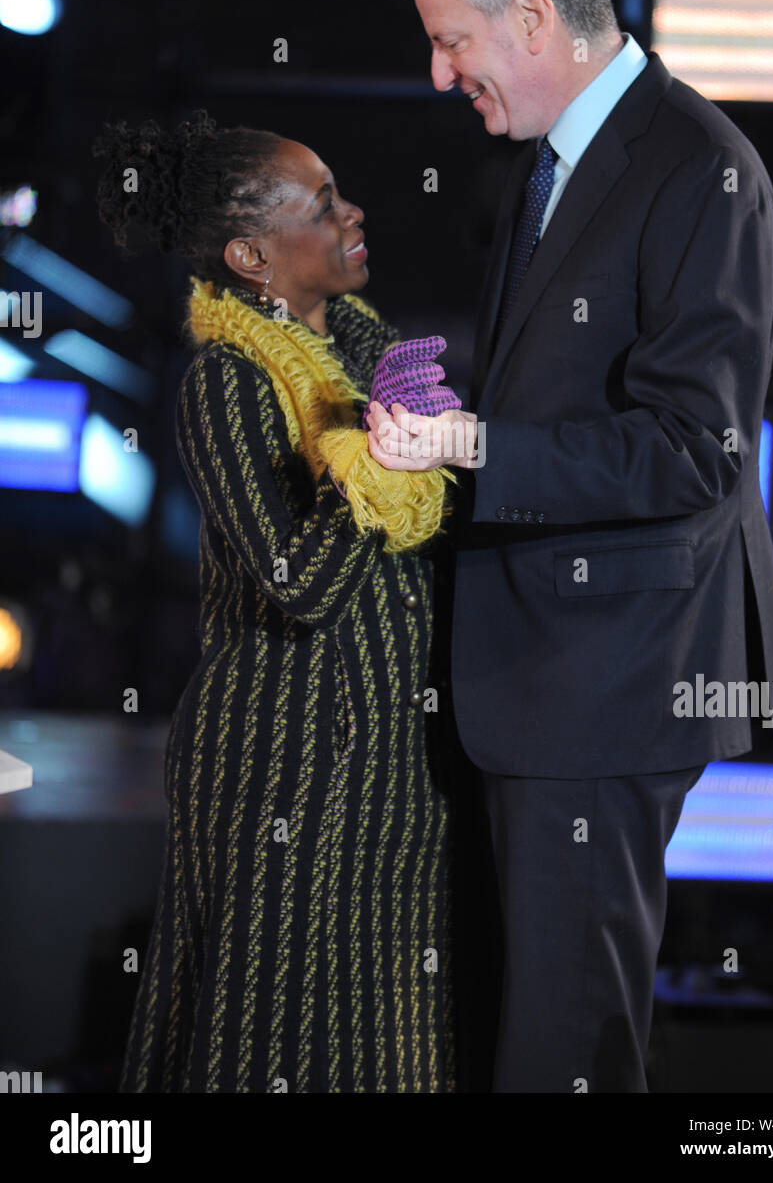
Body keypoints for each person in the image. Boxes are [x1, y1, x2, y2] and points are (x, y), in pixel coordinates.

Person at [366, 0, 773, 1093]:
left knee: (562, 1047)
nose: (443, 72)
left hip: (607, 679)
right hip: (537, 679)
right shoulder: (549, 169)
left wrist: (469, 447)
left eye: (453, 40)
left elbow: (692, 450)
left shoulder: (698, 168)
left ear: (531, 16)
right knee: (517, 1034)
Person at [93, 109, 464, 1093]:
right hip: (282, 763)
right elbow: (298, 587)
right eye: (324, 202)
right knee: (267, 1036)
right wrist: (375, 464)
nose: (353, 212)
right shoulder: (225, 379)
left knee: (382, 1033)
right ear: (253, 255)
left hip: (386, 764)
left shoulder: (362, 363)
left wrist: (429, 442)